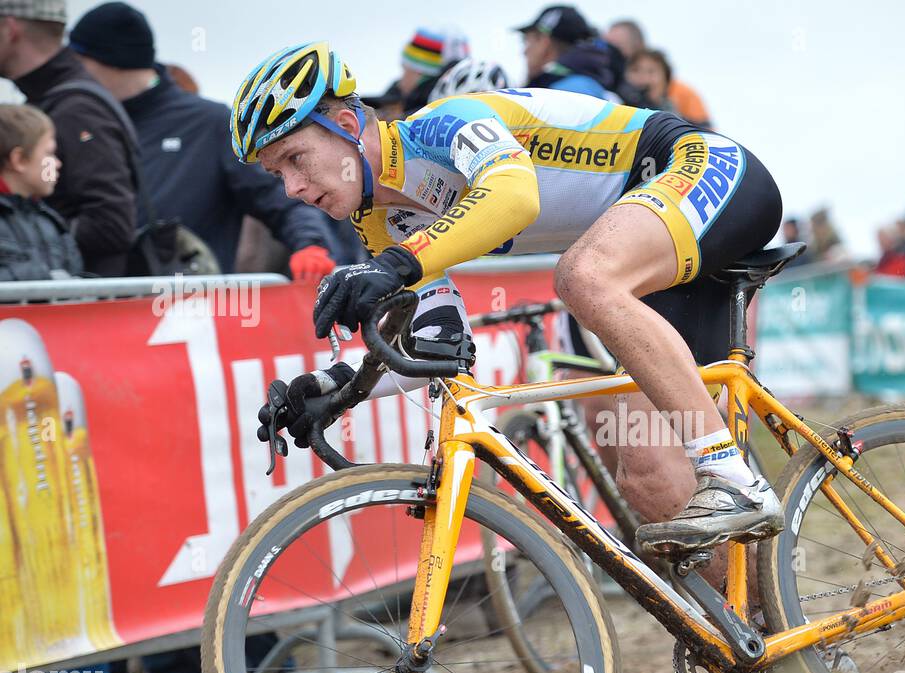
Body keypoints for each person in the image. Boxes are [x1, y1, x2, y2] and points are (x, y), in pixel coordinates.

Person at [234, 42, 786, 556]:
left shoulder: (446, 125)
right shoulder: (382, 220)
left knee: (581, 278)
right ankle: (764, 638)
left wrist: (398, 264)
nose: (292, 189)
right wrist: (335, 388)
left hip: (699, 169)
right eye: (276, 173)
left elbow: (513, 194)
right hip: (650, 251)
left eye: (295, 159)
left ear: (348, 124)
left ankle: (735, 479)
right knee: (644, 470)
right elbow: (436, 341)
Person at [67, 2, 336, 278]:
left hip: (192, 312)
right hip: (87, 310)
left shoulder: (210, 124)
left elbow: (278, 197)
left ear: (109, 61)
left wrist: (310, 244)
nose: (72, 73)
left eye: (78, 62)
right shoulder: (77, 123)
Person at [0, 0, 136, 277]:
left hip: (80, 310)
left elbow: (111, 225)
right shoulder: (59, 100)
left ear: (10, 28)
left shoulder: (77, 109)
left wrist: (23, 236)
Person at [0, 102, 82, 280]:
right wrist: (46, 278)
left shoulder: (50, 221)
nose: (58, 163)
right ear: (19, 159)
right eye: (49, 153)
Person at [607, 18, 711, 128]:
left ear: (665, 78)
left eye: (651, 72)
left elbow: (707, 131)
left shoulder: (682, 94)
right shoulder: (614, 98)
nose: (643, 77)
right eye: (635, 70)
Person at [518, 5, 622, 102]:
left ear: (544, 43)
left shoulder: (565, 94)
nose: (525, 52)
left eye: (527, 42)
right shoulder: (581, 86)